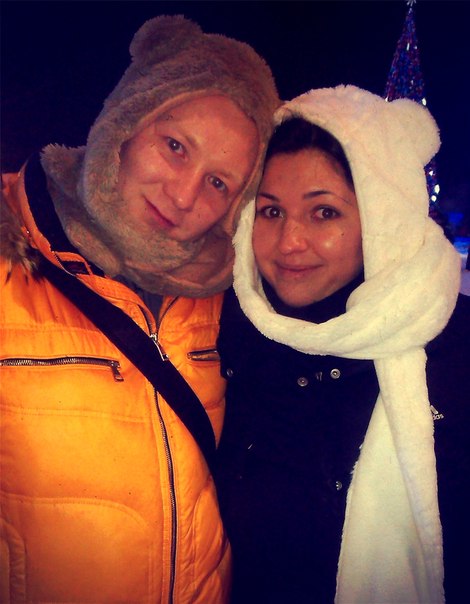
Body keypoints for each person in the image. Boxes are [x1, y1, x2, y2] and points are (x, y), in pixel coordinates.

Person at [0, 15, 279, 602]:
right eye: (175, 146)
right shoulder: (10, 258)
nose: (183, 195)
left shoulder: (232, 303)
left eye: (219, 183)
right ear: (125, 123)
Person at [215, 85, 469, 603]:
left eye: (324, 212)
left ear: (381, 219)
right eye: (271, 212)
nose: (290, 242)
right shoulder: (231, 333)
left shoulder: (455, 350)